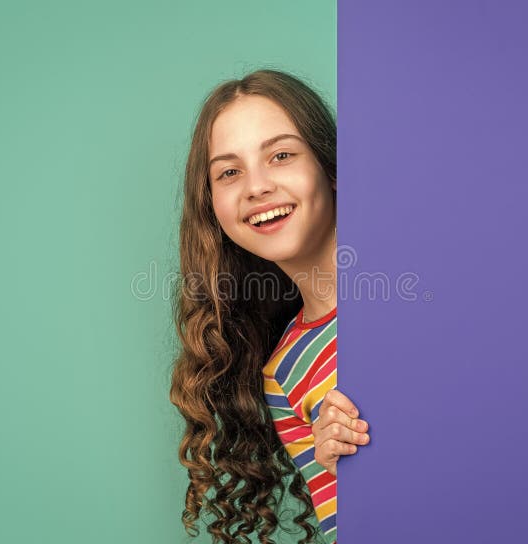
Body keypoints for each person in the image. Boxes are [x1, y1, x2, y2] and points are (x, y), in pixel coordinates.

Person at [170, 69, 370, 544]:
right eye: (229, 172)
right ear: (212, 207)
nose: (256, 187)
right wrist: (348, 471)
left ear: (332, 167)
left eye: (281, 155)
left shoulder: (427, 278)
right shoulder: (284, 373)